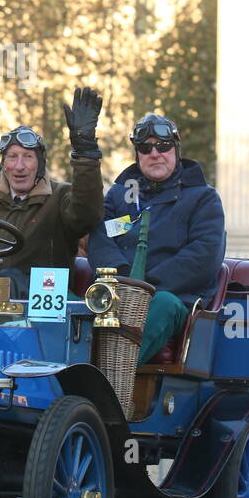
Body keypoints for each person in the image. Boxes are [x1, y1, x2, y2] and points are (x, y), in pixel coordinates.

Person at [0, 87, 105, 297]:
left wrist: (85, 152)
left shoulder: (60, 197)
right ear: (3, 164)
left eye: (27, 157)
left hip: (43, 295)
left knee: (10, 278)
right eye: (12, 157)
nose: (19, 166)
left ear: (39, 164)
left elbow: (87, 214)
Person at [86, 112, 226, 367]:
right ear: (138, 154)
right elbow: (101, 235)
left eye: (163, 146)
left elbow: (203, 256)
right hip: (118, 291)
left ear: (176, 150)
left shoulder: (203, 198)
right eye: (145, 147)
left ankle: (108, 379)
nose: (155, 153)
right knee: (69, 304)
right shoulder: (120, 195)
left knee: (163, 304)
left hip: (171, 298)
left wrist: (146, 287)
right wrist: (124, 278)